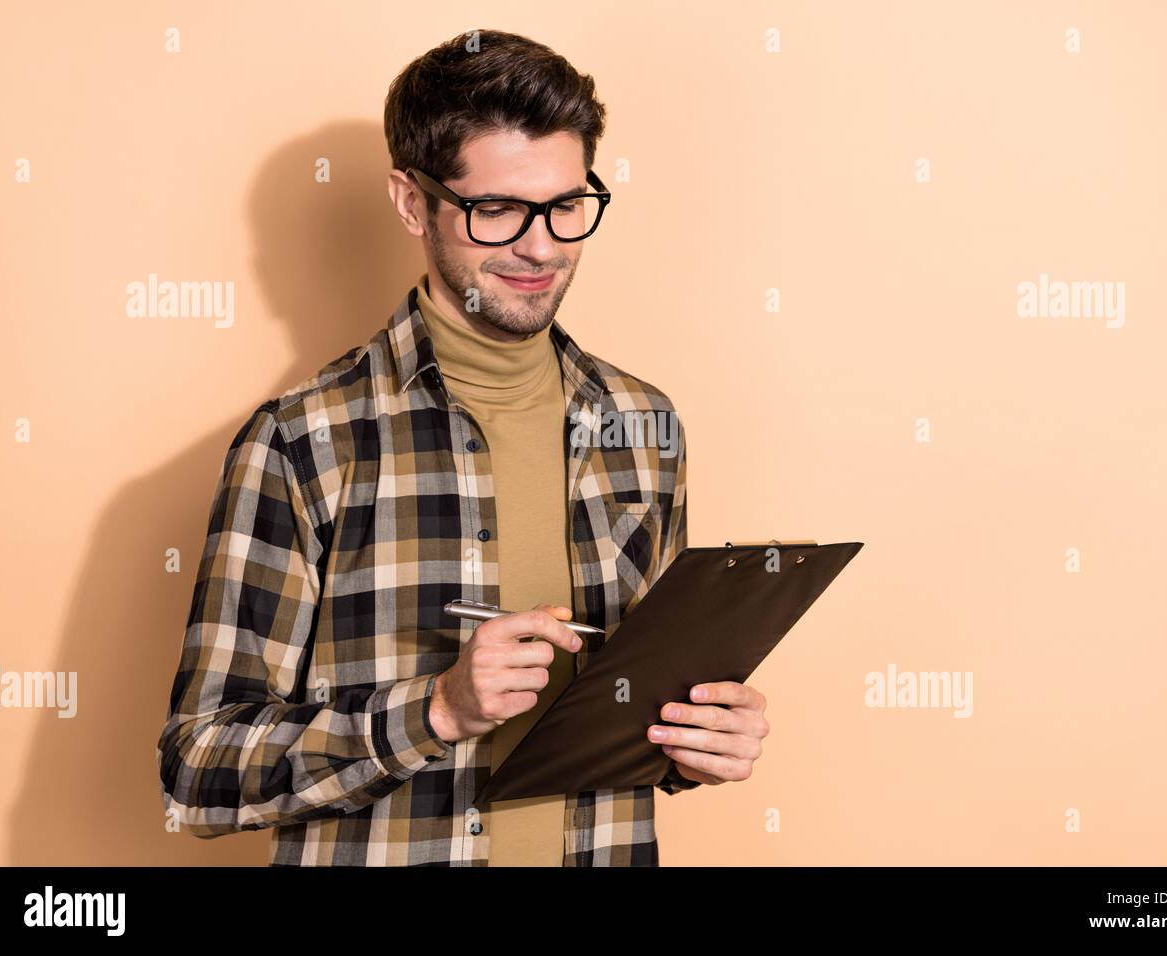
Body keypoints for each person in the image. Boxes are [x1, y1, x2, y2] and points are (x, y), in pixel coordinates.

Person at [156, 28, 769, 867]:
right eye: (497, 210)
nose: (542, 245)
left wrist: (698, 741)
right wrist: (436, 711)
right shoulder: (301, 442)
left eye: (565, 205)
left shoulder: (644, 424)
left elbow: (637, 707)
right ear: (413, 203)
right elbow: (199, 772)